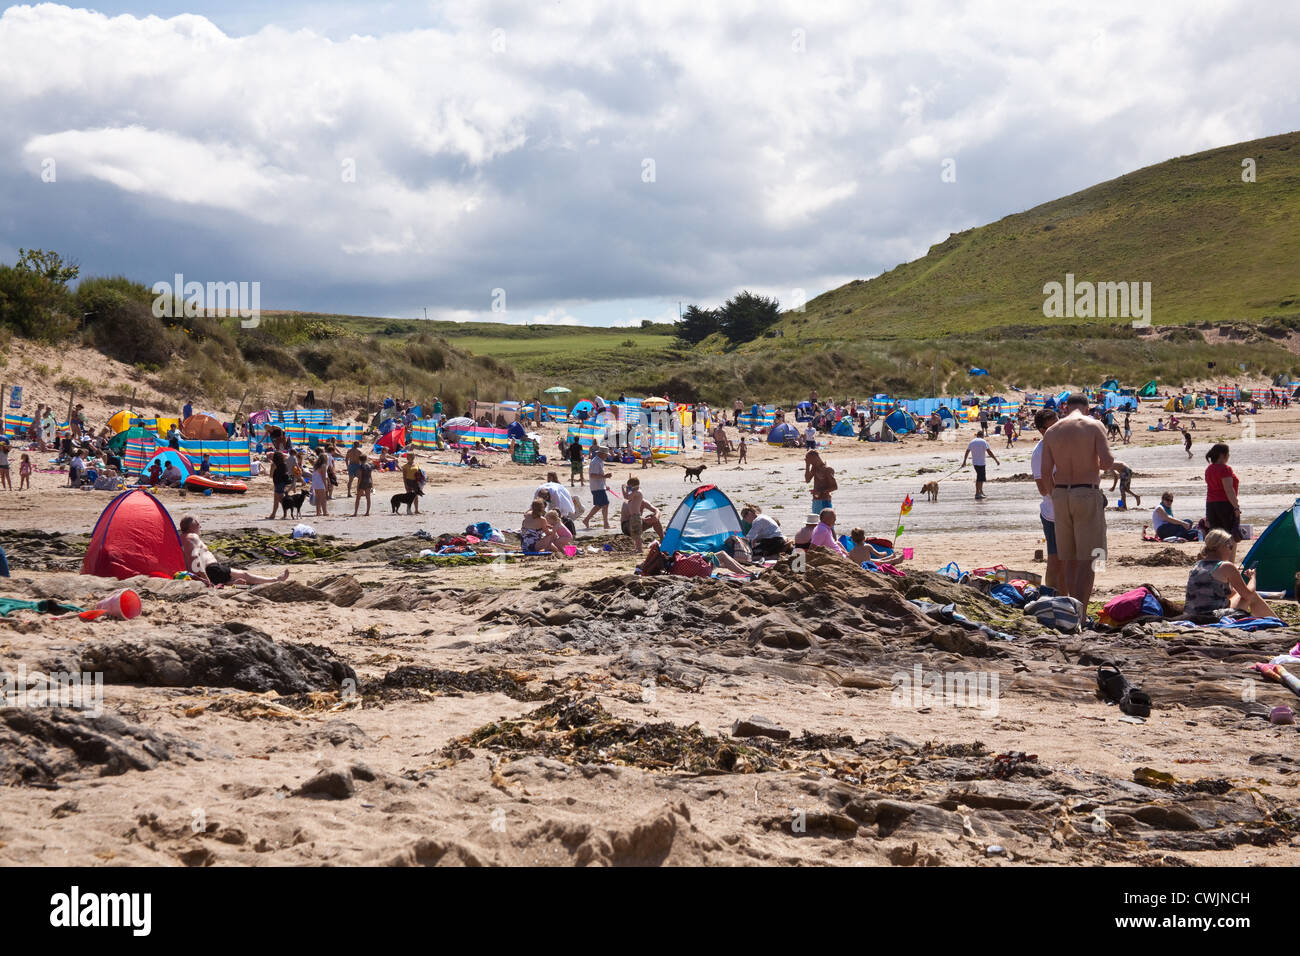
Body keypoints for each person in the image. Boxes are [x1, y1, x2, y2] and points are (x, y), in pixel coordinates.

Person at [1039, 392, 1127, 606]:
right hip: (1086, 492)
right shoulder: (1094, 425)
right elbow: (1106, 463)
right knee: (1090, 559)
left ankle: (1070, 608)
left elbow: (1045, 473)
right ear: (1087, 408)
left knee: (1069, 558)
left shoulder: (1052, 431)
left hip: (1060, 495)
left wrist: (1057, 494)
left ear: (1065, 408)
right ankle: (1081, 612)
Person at [1184, 529, 1273, 620]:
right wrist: (1252, 578)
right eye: (1230, 547)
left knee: (1240, 594)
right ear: (1222, 546)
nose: (1231, 551)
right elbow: (1248, 595)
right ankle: (1276, 622)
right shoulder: (1226, 566)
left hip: (1192, 615)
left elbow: (1225, 593)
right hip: (1212, 617)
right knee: (1252, 596)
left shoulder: (1197, 565)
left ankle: (1274, 621)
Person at [180, 517, 288, 587]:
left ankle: (231, 583)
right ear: (190, 527)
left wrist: (200, 578)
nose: (200, 526)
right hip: (211, 569)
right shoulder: (192, 537)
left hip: (206, 573)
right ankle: (275, 579)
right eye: (197, 523)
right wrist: (205, 579)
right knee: (245, 574)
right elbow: (195, 558)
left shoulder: (181, 538)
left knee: (230, 578)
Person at [1030, 408, 1062, 591]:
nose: (1059, 428)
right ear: (1043, 430)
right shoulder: (1039, 452)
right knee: (1055, 560)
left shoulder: (1064, 445)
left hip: (1068, 511)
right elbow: (1043, 488)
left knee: (1068, 560)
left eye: (1059, 423)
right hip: (1052, 515)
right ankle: (1051, 596)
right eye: (1054, 426)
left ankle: (1064, 597)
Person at [1204, 443, 1241, 539]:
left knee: (1215, 536)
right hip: (1224, 504)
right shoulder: (1225, 469)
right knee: (1229, 535)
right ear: (1222, 455)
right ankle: (1229, 554)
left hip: (1211, 504)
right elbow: (1229, 490)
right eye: (1228, 453)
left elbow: (1210, 489)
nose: (1229, 456)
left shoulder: (1209, 469)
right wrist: (1236, 507)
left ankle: (1217, 554)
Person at [621, 476, 658, 554]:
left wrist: (623, 489)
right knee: (635, 534)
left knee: (637, 534)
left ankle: (640, 549)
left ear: (633, 485)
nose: (629, 488)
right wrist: (628, 490)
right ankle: (638, 548)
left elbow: (626, 497)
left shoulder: (637, 492)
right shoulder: (634, 492)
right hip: (633, 517)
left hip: (636, 516)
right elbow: (628, 497)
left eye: (629, 486)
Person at [961, 430, 999, 500]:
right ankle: (977, 493)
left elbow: (967, 451)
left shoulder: (972, 442)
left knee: (980, 478)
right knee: (980, 478)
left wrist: (964, 461)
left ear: (977, 435)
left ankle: (980, 492)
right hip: (981, 462)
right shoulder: (983, 441)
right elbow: (989, 452)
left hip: (975, 463)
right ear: (982, 436)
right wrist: (995, 460)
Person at [582, 446, 611, 529]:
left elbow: (597, 475)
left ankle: (586, 520)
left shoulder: (599, 461)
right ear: (601, 454)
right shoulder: (596, 462)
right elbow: (592, 475)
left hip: (599, 486)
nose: (607, 456)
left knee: (599, 505)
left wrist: (605, 485)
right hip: (597, 487)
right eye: (606, 455)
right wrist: (605, 476)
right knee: (605, 504)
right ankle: (606, 524)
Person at [267, 451, 289, 519]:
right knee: (280, 499)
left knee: (277, 500)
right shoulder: (284, 464)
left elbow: (271, 475)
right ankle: (284, 514)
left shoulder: (274, 464)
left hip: (278, 483)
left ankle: (273, 515)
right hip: (283, 483)